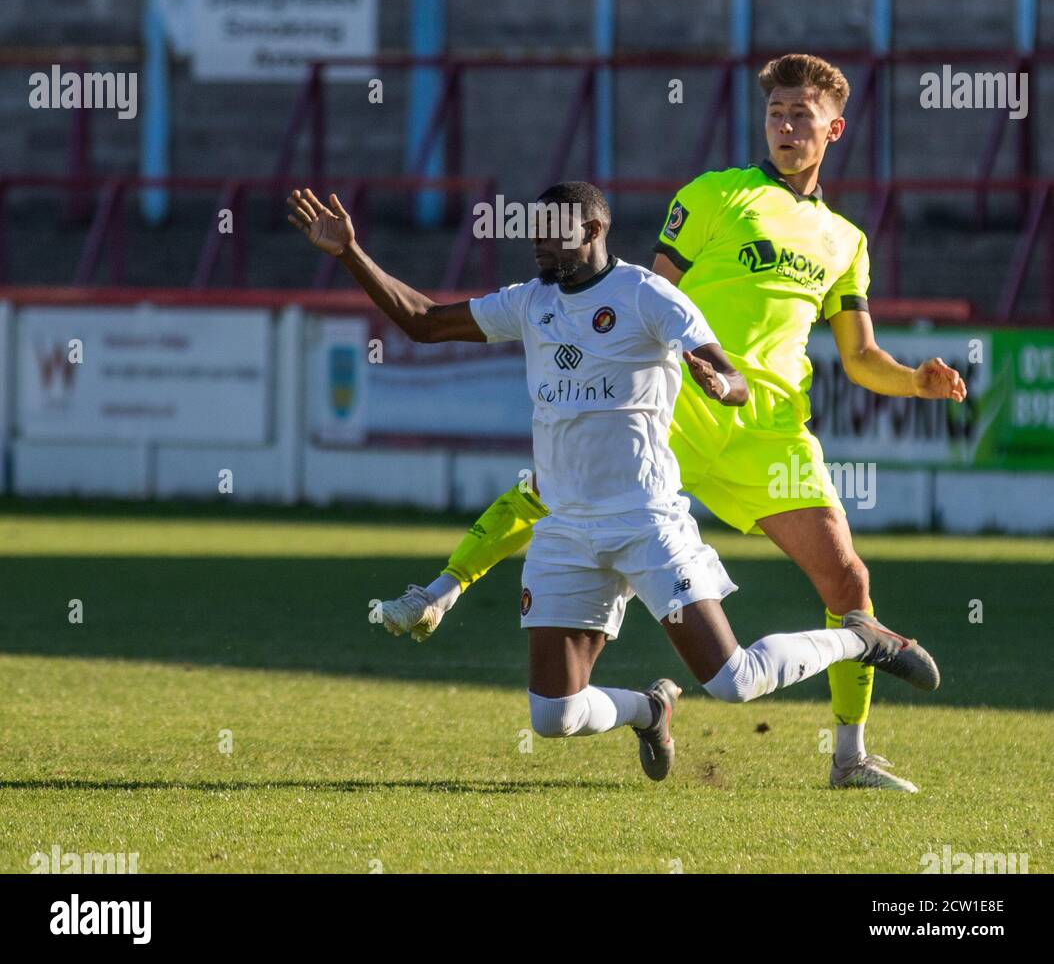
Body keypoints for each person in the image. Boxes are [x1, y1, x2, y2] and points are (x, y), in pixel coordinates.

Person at [381, 53, 965, 792]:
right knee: (553, 493)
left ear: (834, 129)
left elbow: (861, 356)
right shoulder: (717, 195)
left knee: (847, 573)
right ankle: (442, 587)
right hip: (686, 403)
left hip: (769, 429)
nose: (786, 126)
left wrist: (915, 379)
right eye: (777, 112)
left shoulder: (846, 241)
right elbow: (650, 296)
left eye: (801, 116)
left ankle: (849, 757)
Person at [288, 179, 939, 783]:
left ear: (595, 228)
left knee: (734, 679)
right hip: (567, 532)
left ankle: (859, 637)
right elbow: (423, 321)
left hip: (648, 523)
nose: (543, 245)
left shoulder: (645, 296)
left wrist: (724, 385)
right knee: (554, 716)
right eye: (536, 235)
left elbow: (729, 373)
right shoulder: (529, 302)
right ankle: (649, 713)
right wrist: (350, 253)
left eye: (556, 233)